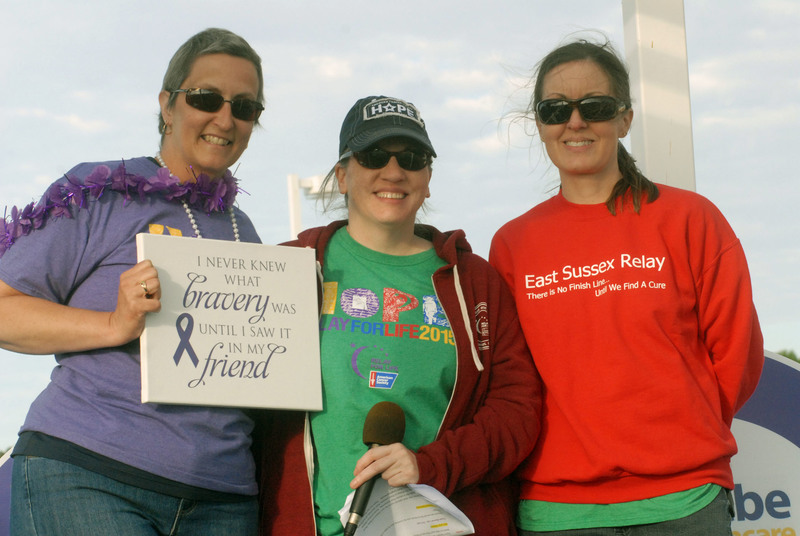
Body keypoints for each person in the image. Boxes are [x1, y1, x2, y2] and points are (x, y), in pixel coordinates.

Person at [489, 38, 764, 535]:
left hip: (684, 501)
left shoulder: (690, 220)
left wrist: (682, 434)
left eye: (594, 107)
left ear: (624, 118)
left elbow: (737, 352)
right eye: (556, 110)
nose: (575, 122)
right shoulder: (513, 244)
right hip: (557, 512)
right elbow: (511, 380)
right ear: (540, 125)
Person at [0, 28, 266, 535]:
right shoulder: (101, 194)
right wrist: (113, 324)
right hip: (91, 475)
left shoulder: (243, 232)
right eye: (207, 98)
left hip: (224, 499)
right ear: (167, 105)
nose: (225, 118)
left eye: (246, 107)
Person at [253, 95, 542, 535]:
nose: (393, 172)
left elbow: (517, 411)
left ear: (428, 178)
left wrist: (430, 465)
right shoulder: (288, 267)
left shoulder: (475, 282)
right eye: (373, 156)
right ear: (342, 175)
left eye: (411, 157)